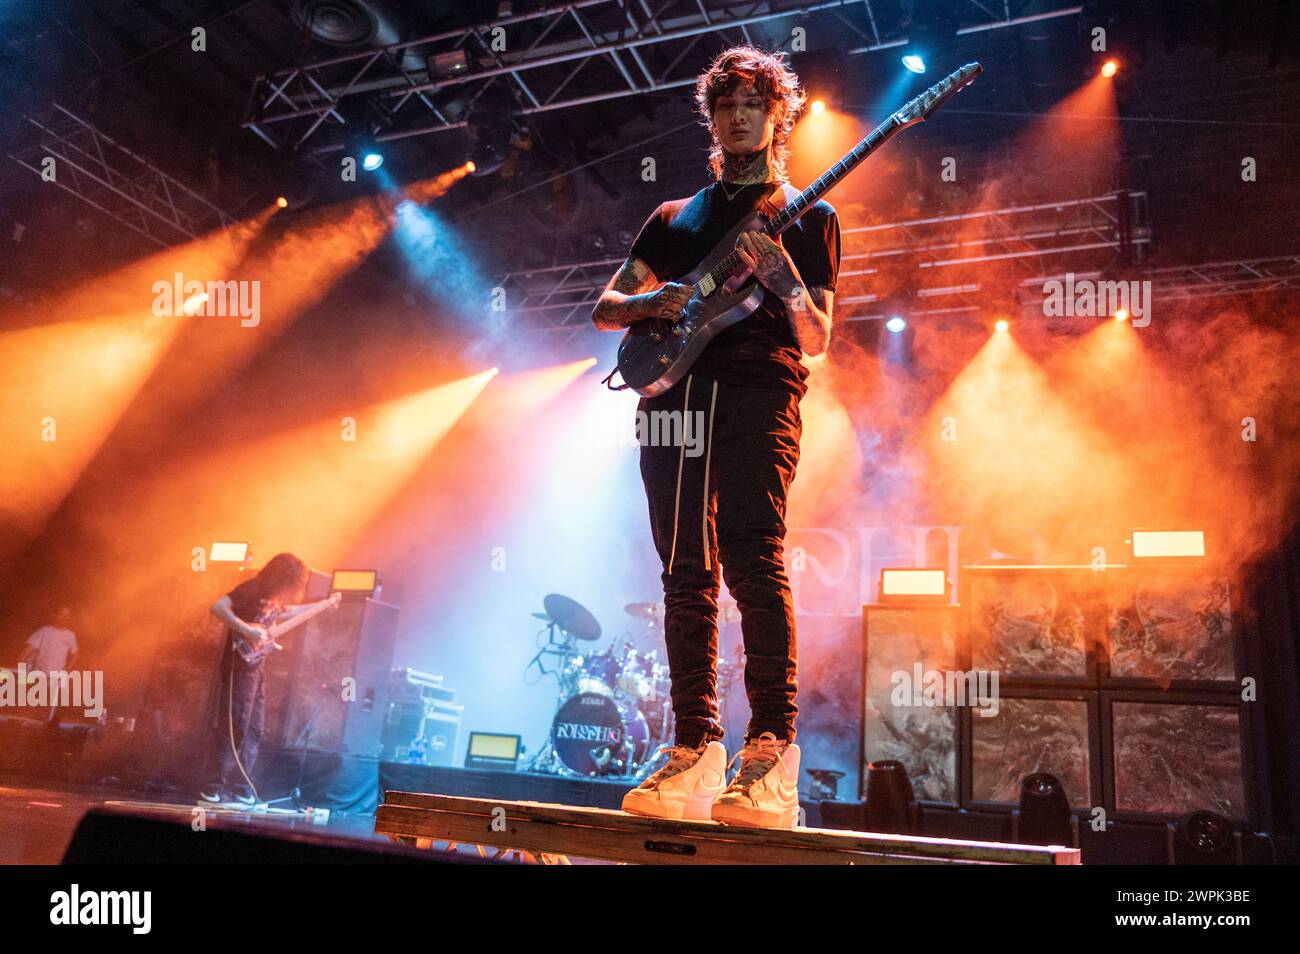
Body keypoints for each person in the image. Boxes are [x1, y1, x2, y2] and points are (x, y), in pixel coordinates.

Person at [592, 46, 840, 829]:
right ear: (713, 118)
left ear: (777, 115)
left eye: (752, 103)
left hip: (759, 389)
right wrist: (653, 302)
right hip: (674, 391)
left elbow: (819, 336)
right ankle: (695, 745)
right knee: (681, 568)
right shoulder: (672, 219)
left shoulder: (811, 215)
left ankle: (771, 749)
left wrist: (785, 281)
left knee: (752, 552)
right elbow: (605, 306)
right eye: (725, 103)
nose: (738, 115)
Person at [200, 552, 310, 807]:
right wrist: (247, 629)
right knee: (235, 725)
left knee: (254, 729)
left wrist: (321, 605)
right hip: (239, 666)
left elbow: (287, 612)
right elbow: (218, 607)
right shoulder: (251, 588)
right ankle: (213, 788)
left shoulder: (273, 598)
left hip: (256, 669)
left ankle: (241, 789)